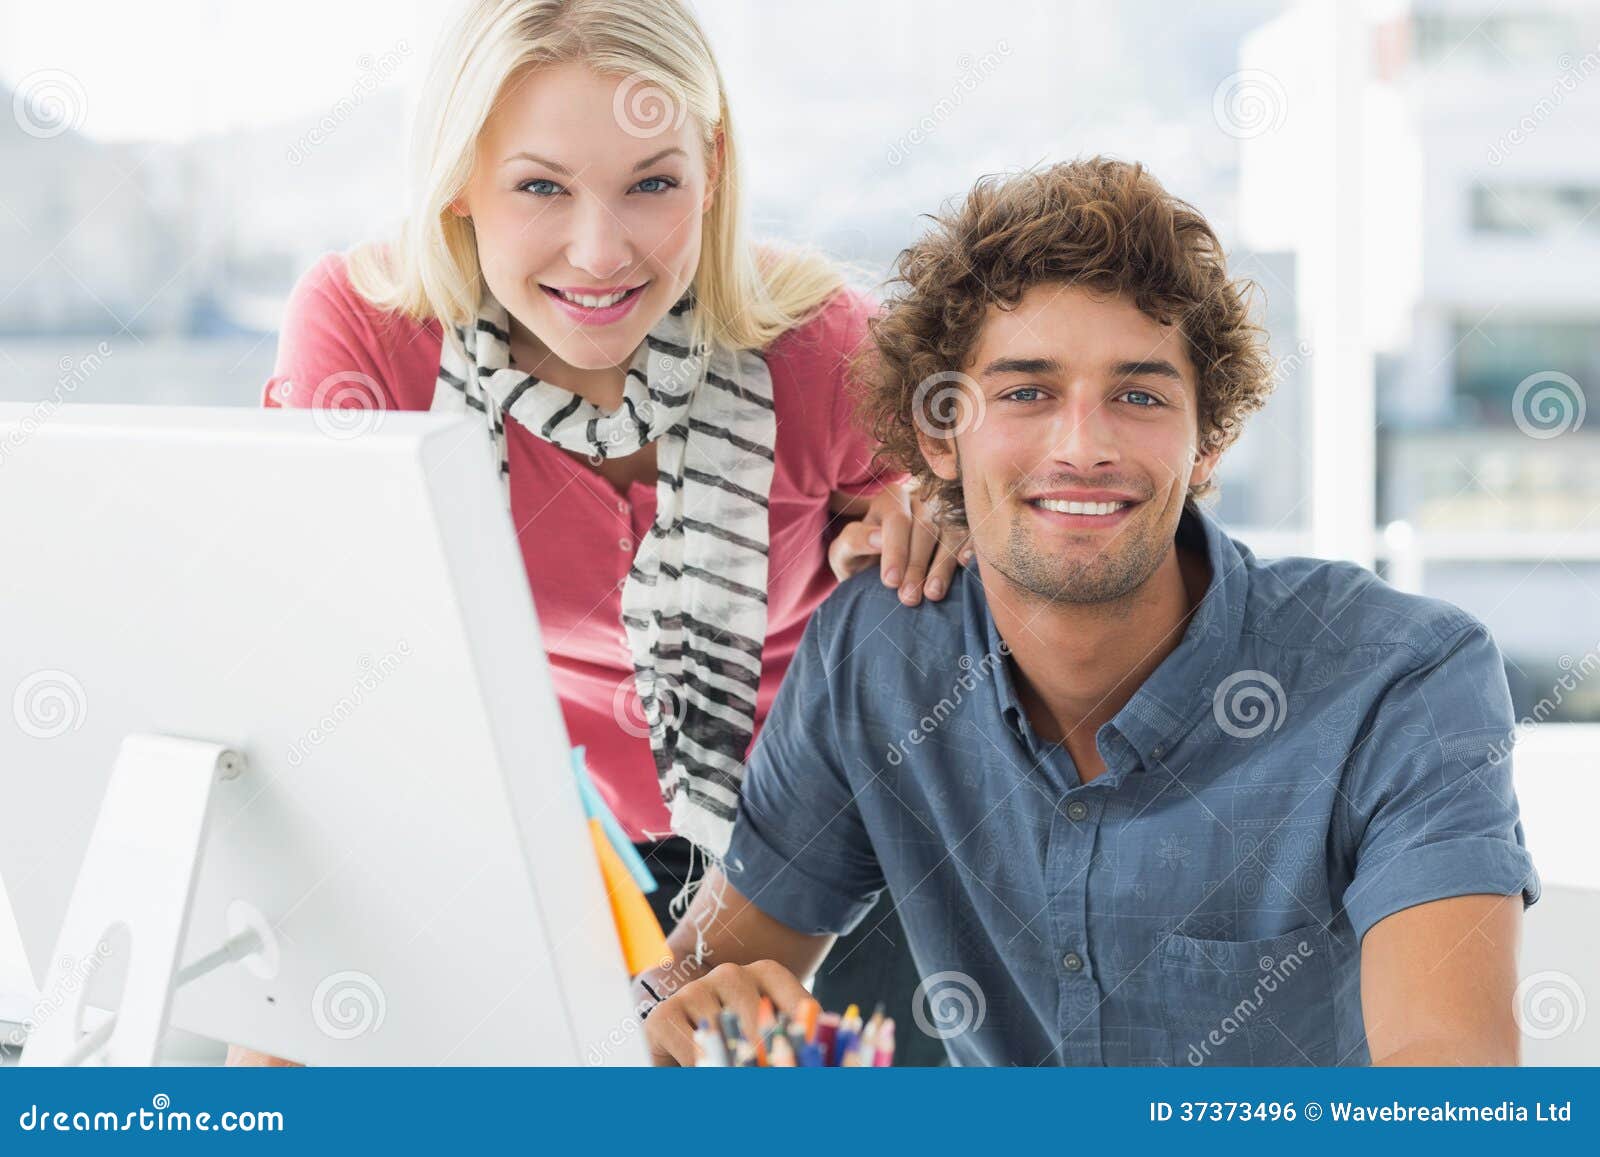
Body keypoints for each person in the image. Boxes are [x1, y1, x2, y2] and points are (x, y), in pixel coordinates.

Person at [638, 157, 1541, 1067]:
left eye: (1139, 396)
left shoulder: (1399, 677)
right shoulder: (875, 653)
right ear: (939, 435)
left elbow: (1453, 1091)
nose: (1084, 447)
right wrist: (681, 1011)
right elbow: (694, 979)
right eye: (1027, 392)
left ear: (1209, 436)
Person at [230, 0, 960, 1065]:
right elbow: (310, 646)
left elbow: (974, 514)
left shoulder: (823, 342)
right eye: (539, 187)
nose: (599, 250)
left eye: (651, 184)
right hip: (531, 850)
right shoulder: (369, 335)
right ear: (459, 182)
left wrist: (937, 511)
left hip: (806, 861)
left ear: (710, 169)